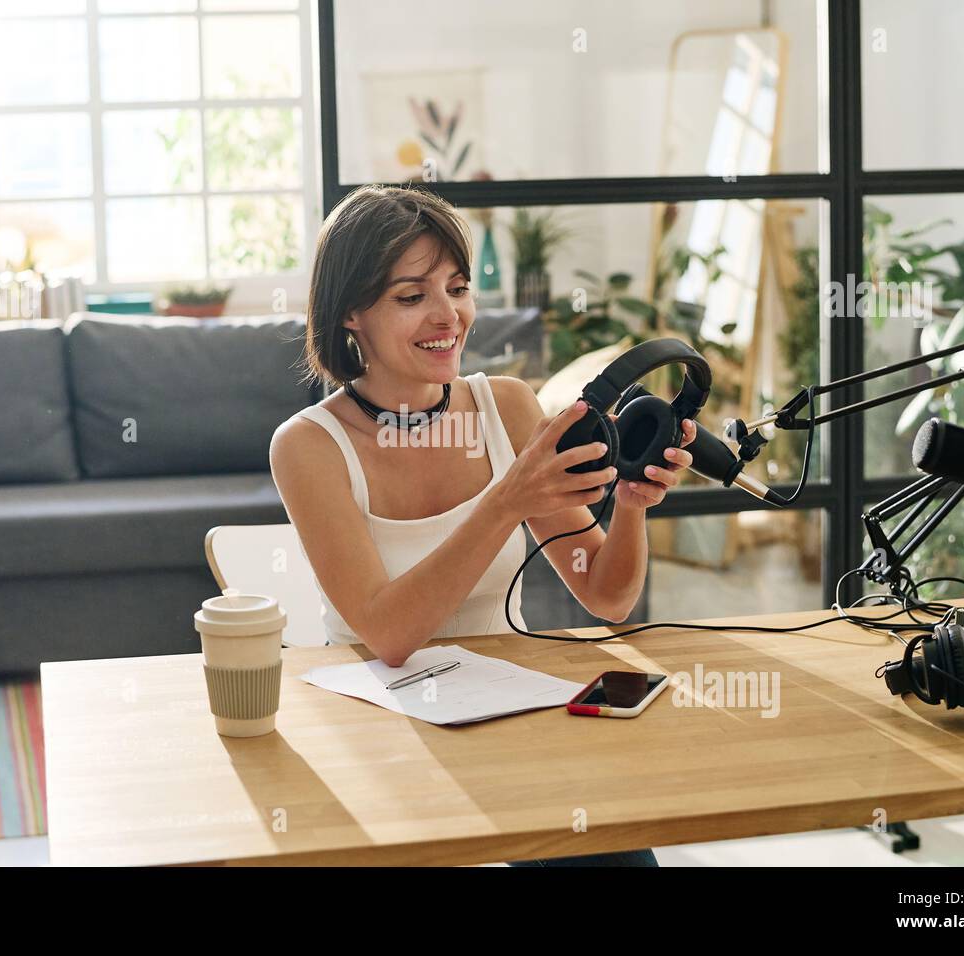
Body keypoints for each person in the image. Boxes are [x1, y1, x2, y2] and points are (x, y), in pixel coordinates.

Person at [270, 185, 695, 866]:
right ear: (352, 313)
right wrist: (504, 501)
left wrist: (633, 511)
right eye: (412, 297)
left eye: (458, 287)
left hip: (512, 716)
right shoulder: (308, 446)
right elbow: (389, 635)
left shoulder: (506, 406)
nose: (449, 316)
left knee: (617, 854)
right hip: (383, 728)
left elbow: (606, 596)